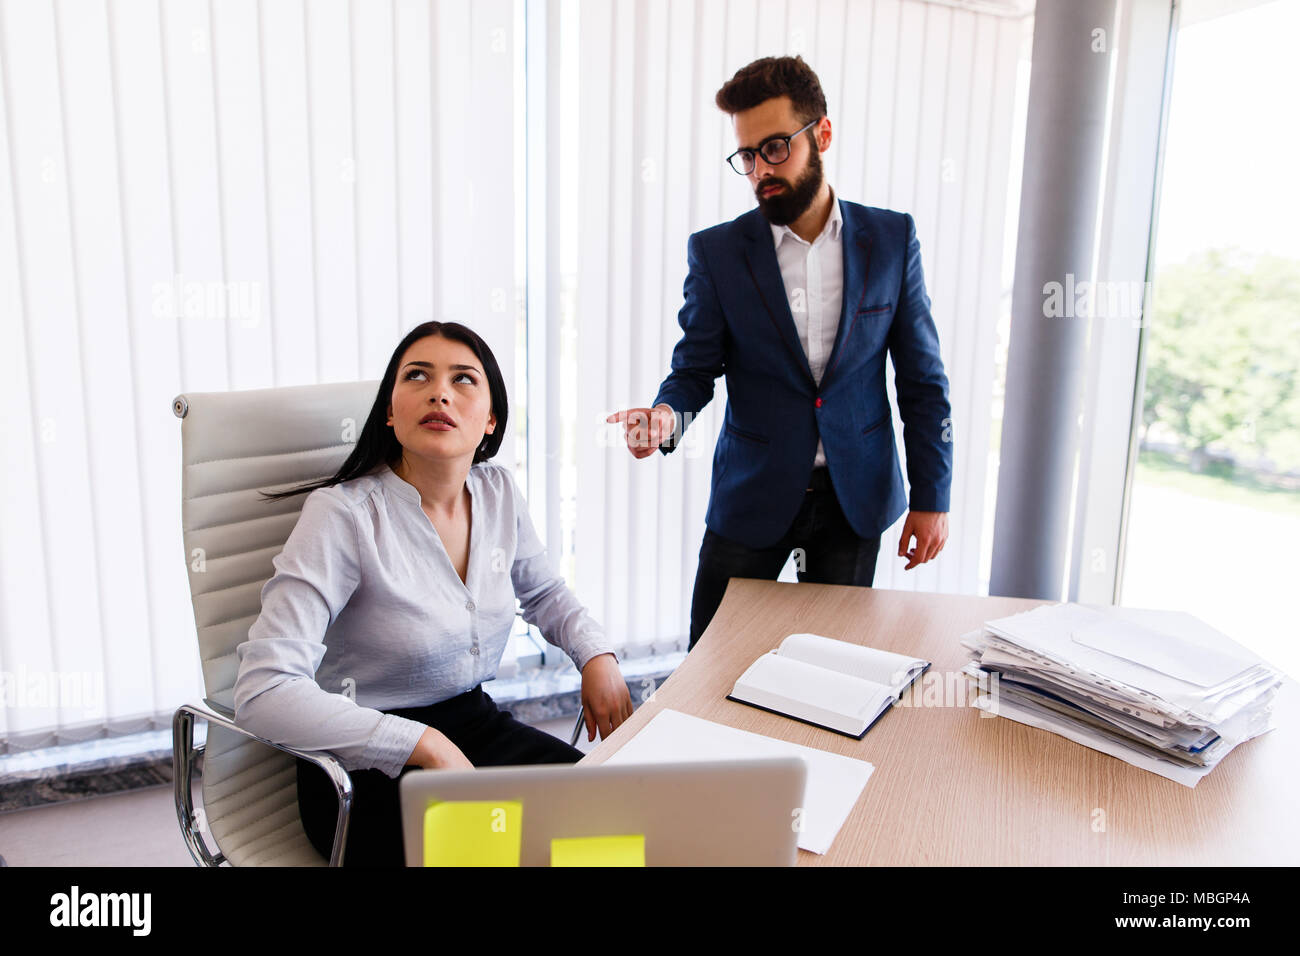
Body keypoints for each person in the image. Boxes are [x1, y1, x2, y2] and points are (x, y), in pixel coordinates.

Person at [234, 321, 634, 867]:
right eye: (417, 375)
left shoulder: (497, 492)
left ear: (490, 421)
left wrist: (597, 654)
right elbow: (263, 690)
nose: (439, 392)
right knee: (501, 855)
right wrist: (418, 744)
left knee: (613, 819)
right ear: (391, 412)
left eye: (464, 379)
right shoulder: (344, 516)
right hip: (363, 765)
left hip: (474, 727)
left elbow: (543, 591)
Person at [608, 56, 953, 650]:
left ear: (821, 133)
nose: (757, 171)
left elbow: (922, 381)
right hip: (752, 495)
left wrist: (932, 498)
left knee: (831, 672)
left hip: (855, 500)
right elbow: (695, 369)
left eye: (773, 148)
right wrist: (666, 418)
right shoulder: (717, 252)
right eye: (745, 156)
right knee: (711, 667)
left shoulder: (892, 240)